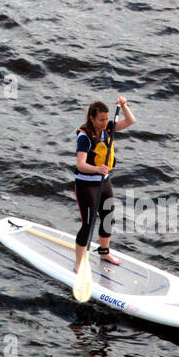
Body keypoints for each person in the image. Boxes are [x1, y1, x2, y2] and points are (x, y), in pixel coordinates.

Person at [74, 96, 135, 273]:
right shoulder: (84, 137)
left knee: (108, 217)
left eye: (106, 119)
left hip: (104, 181)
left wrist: (124, 105)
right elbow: (81, 165)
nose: (104, 122)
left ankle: (104, 252)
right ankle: (78, 262)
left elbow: (131, 120)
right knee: (87, 224)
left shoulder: (108, 128)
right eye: (101, 119)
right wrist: (97, 169)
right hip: (86, 185)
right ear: (92, 118)